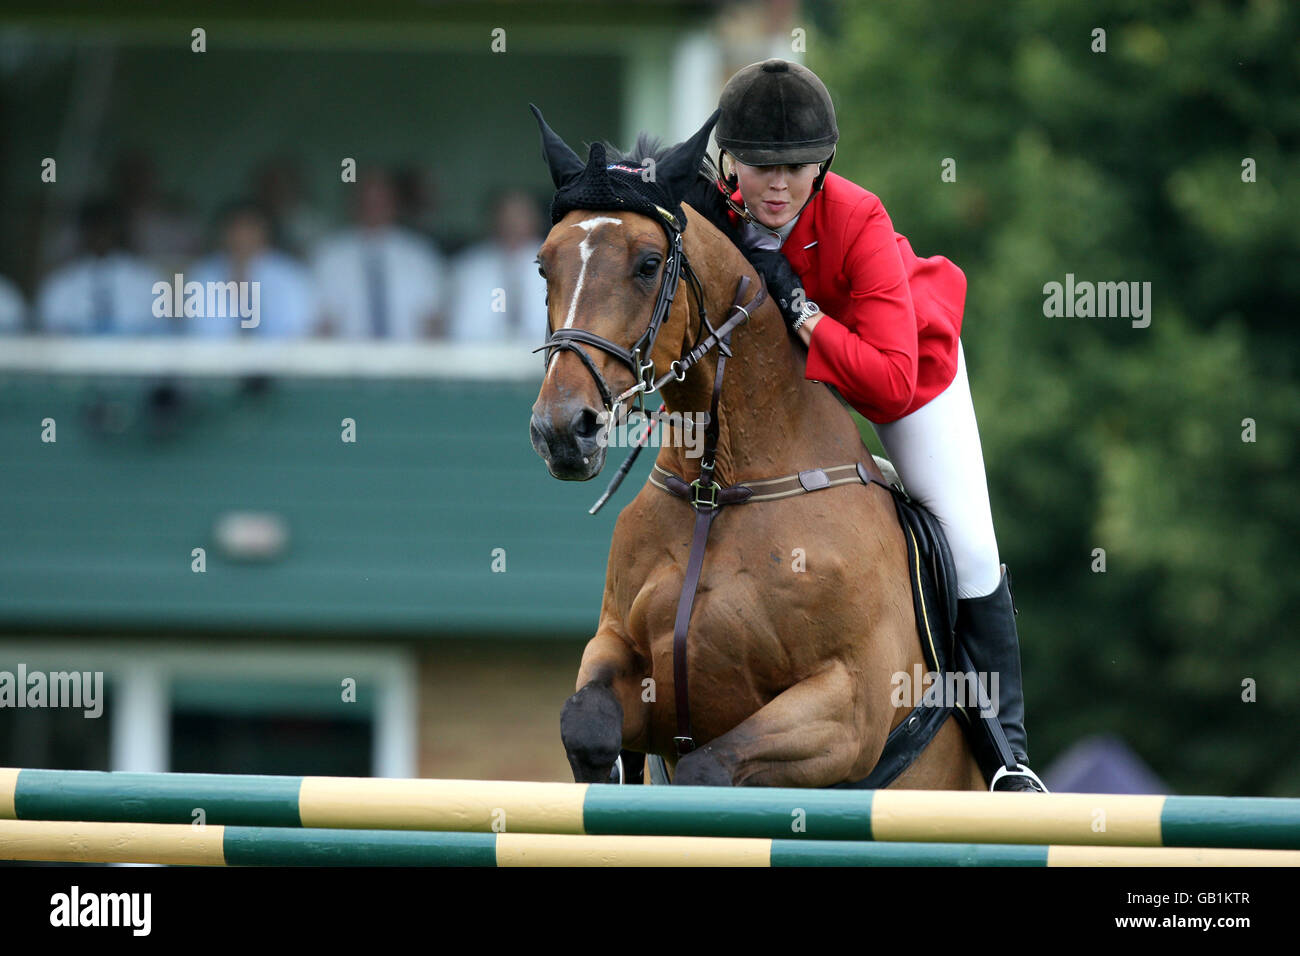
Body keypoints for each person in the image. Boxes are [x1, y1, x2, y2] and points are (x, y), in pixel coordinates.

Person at [685, 58, 1046, 792]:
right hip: (799, 388)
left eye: (797, 166)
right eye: (759, 167)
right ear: (730, 163)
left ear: (824, 165)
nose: (777, 186)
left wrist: (803, 314)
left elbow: (888, 380)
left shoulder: (857, 217)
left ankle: (1006, 757)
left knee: (970, 549)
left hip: (910, 372)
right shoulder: (717, 212)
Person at [311, 169, 446, 340]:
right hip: (346, 362)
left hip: (409, 362)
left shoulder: (420, 256)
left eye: (381, 200)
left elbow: (434, 322)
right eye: (366, 200)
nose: (374, 208)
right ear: (352, 203)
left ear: (395, 203)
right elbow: (321, 323)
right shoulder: (329, 256)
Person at [446, 189, 548, 344]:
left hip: (543, 362)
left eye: (520, 216)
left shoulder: (558, 263)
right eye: (505, 216)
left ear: (536, 219)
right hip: (477, 360)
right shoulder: (467, 268)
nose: (512, 223)